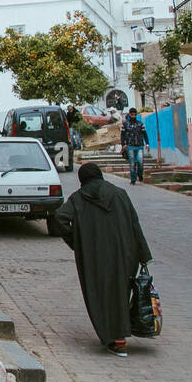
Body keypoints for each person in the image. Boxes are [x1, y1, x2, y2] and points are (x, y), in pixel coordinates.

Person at [53, 162, 153, 357]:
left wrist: (76, 241)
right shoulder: (120, 194)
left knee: (101, 296)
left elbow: (59, 218)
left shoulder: (79, 198)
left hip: (94, 256)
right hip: (125, 253)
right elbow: (134, 224)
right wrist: (144, 255)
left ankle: (115, 338)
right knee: (120, 293)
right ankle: (119, 337)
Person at [120, 107, 150, 184]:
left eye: (135, 114)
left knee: (140, 163)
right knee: (132, 163)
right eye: (132, 114)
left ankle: (140, 176)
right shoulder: (125, 124)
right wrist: (123, 144)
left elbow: (145, 134)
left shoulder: (140, 124)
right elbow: (122, 135)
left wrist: (147, 143)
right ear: (129, 114)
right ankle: (133, 180)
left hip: (140, 145)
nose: (133, 116)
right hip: (130, 146)